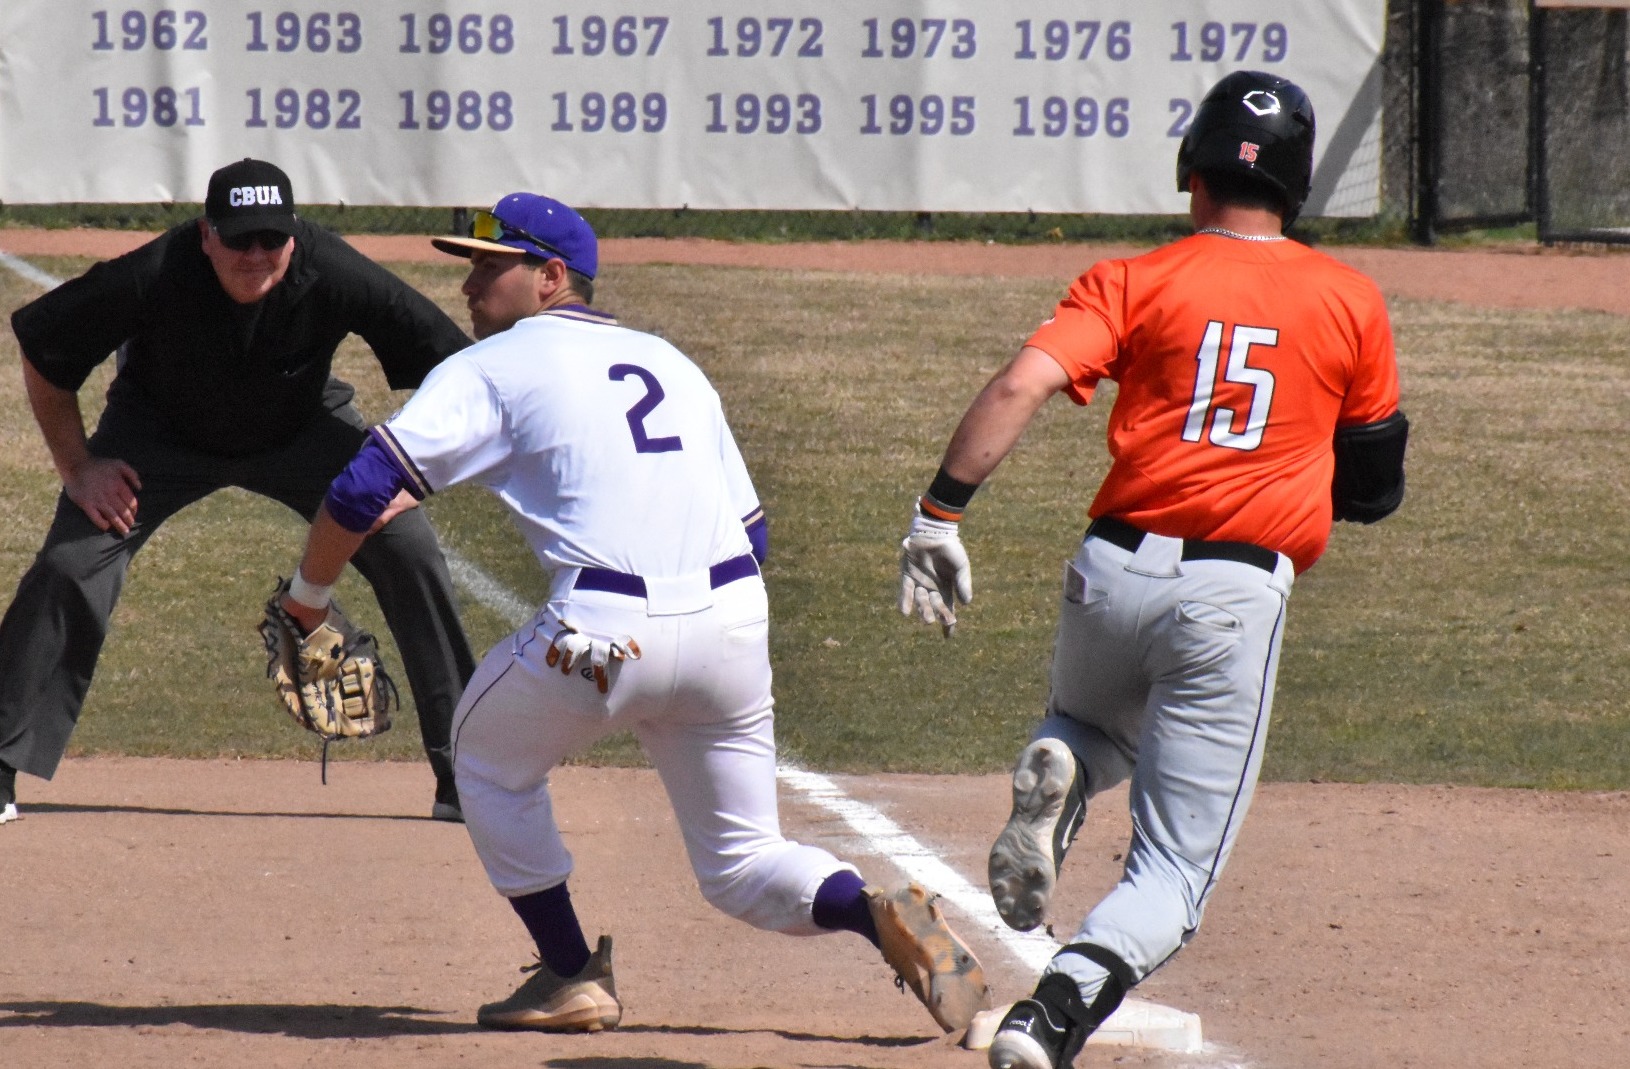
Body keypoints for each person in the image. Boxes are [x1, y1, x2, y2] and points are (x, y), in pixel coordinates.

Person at [274, 191, 991, 1033]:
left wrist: (306, 600)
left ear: (549, 278)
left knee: (483, 754)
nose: (469, 285)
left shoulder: (491, 365)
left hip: (605, 635)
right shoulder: (671, 361)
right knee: (742, 863)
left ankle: (570, 970)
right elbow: (752, 536)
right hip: (731, 626)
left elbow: (362, 483)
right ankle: (870, 912)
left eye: (489, 266)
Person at [895, 71, 1408, 1069]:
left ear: (1193, 168)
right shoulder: (1348, 297)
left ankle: (1069, 765)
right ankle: (1050, 1018)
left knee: (1092, 725)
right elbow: (1376, 483)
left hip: (1111, 572)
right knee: (1173, 871)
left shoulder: (1131, 279)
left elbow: (1021, 383)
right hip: (1232, 593)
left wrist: (939, 514)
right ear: (1298, 185)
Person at [1, 157, 478, 825]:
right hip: (158, 433)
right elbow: (44, 346)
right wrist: (79, 468)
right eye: (238, 239)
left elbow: (459, 368)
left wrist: (411, 468)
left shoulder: (332, 268)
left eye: (271, 239)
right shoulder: (155, 272)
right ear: (205, 234)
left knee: (409, 546)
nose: (255, 254)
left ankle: (470, 770)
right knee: (71, 566)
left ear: (294, 234)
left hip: (301, 428)